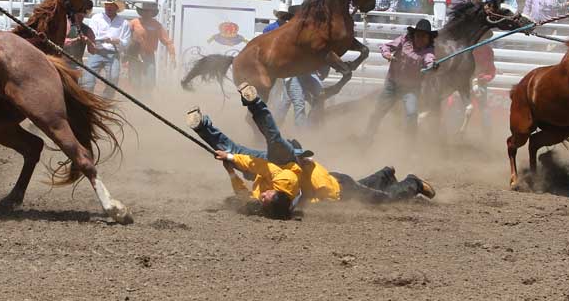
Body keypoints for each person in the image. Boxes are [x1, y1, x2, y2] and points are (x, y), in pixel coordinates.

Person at [186, 84, 435, 220]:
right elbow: (262, 168)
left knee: (241, 151)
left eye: (263, 197)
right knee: (381, 199)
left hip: (318, 176)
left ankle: (204, 125)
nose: (262, 195)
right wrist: (231, 160)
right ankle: (408, 181)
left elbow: (251, 181)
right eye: (266, 197)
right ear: (277, 195)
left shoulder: (274, 190)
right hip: (337, 187)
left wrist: (231, 169)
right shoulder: (285, 182)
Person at [364, 19, 438, 136]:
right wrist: (387, 54)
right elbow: (386, 46)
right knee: (378, 112)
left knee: (412, 114)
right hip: (392, 84)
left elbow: (429, 59)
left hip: (411, 89)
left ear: (429, 39)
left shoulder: (428, 50)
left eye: (424, 37)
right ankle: (367, 137)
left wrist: (432, 66)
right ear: (414, 35)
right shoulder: (404, 40)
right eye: (418, 35)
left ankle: (409, 148)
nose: (421, 39)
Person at [81, 0, 131, 97]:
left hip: (113, 54)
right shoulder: (96, 18)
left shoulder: (124, 23)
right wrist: (105, 39)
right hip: (97, 52)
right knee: (88, 79)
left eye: (111, 5)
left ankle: (106, 101)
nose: (108, 7)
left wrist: (118, 42)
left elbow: (126, 43)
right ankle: (88, 100)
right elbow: (92, 35)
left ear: (116, 7)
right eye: (107, 5)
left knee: (113, 79)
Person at [127, 1, 175, 90]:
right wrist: (126, 52)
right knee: (135, 81)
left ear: (151, 12)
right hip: (135, 54)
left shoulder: (156, 25)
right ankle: (137, 98)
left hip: (148, 55)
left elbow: (167, 41)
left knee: (149, 81)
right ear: (141, 12)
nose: (146, 13)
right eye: (144, 11)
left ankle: (147, 99)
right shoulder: (134, 22)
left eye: (148, 11)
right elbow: (125, 36)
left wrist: (172, 55)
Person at [64, 1, 97, 72]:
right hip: (62, 63)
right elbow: (59, 43)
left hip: (77, 65)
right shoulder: (65, 25)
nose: (81, 15)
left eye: (83, 13)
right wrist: (75, 40)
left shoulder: (88, 30)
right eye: (79, 12)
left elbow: (93, 51)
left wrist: (88, 42)